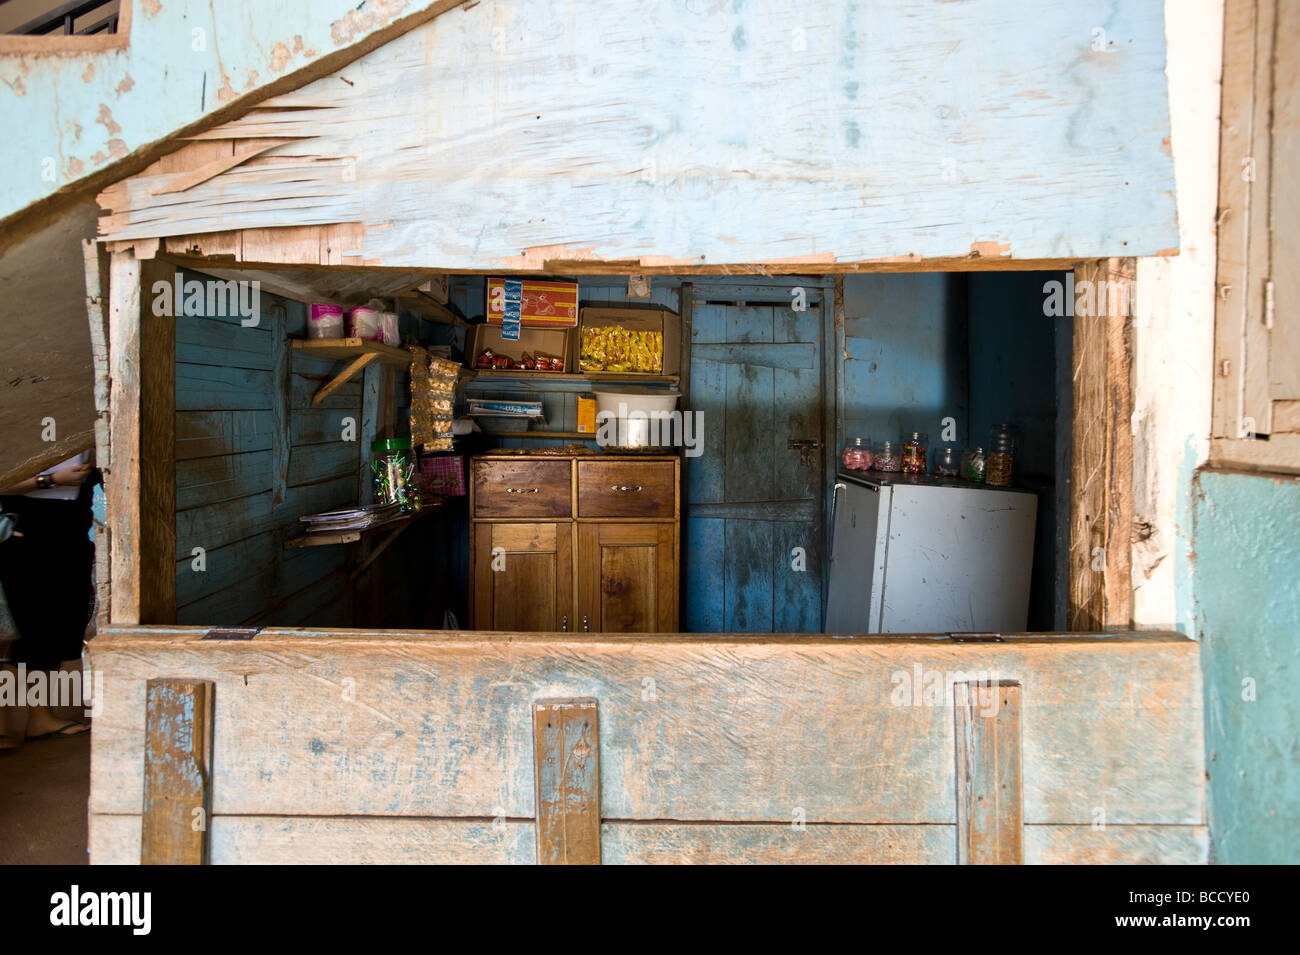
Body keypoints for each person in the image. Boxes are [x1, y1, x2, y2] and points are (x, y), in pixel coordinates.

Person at [0, 450, 97, 749]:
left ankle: (40, 717)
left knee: (55, 629)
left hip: (69, 534)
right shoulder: (25, 416)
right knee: (18, 632)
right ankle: (7, 726)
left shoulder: (81, 420)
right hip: (25, 534)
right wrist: (50, 480)